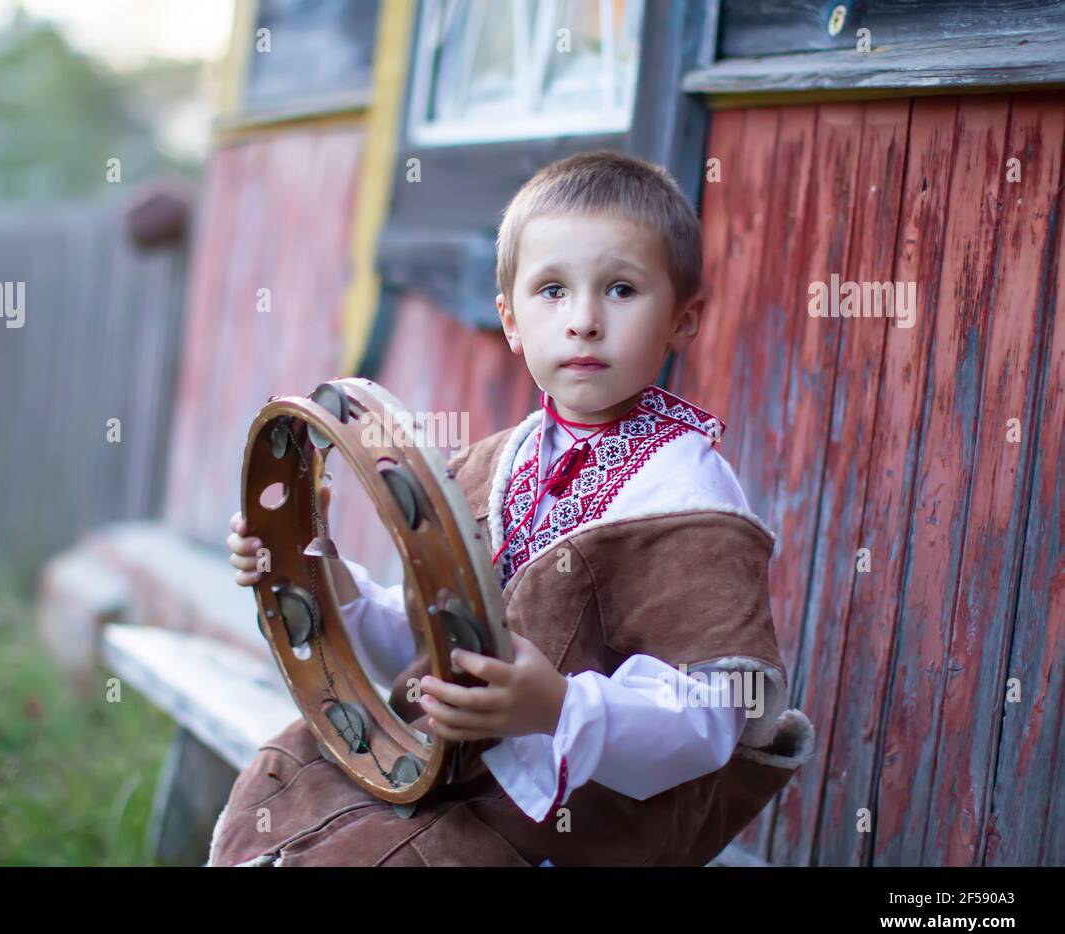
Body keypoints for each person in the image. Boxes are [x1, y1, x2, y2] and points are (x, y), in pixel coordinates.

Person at [214, 151, 814, 866]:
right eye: (553, 291)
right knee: (286, 772)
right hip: (434, 769)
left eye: (621, 289)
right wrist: (323, 579)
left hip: (565, 824)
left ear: (684, 319)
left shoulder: (691, 501)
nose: (584, 321)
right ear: (511, 320)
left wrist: (557, 706)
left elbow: (712, 720)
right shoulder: (487, 467)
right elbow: (418, 648)